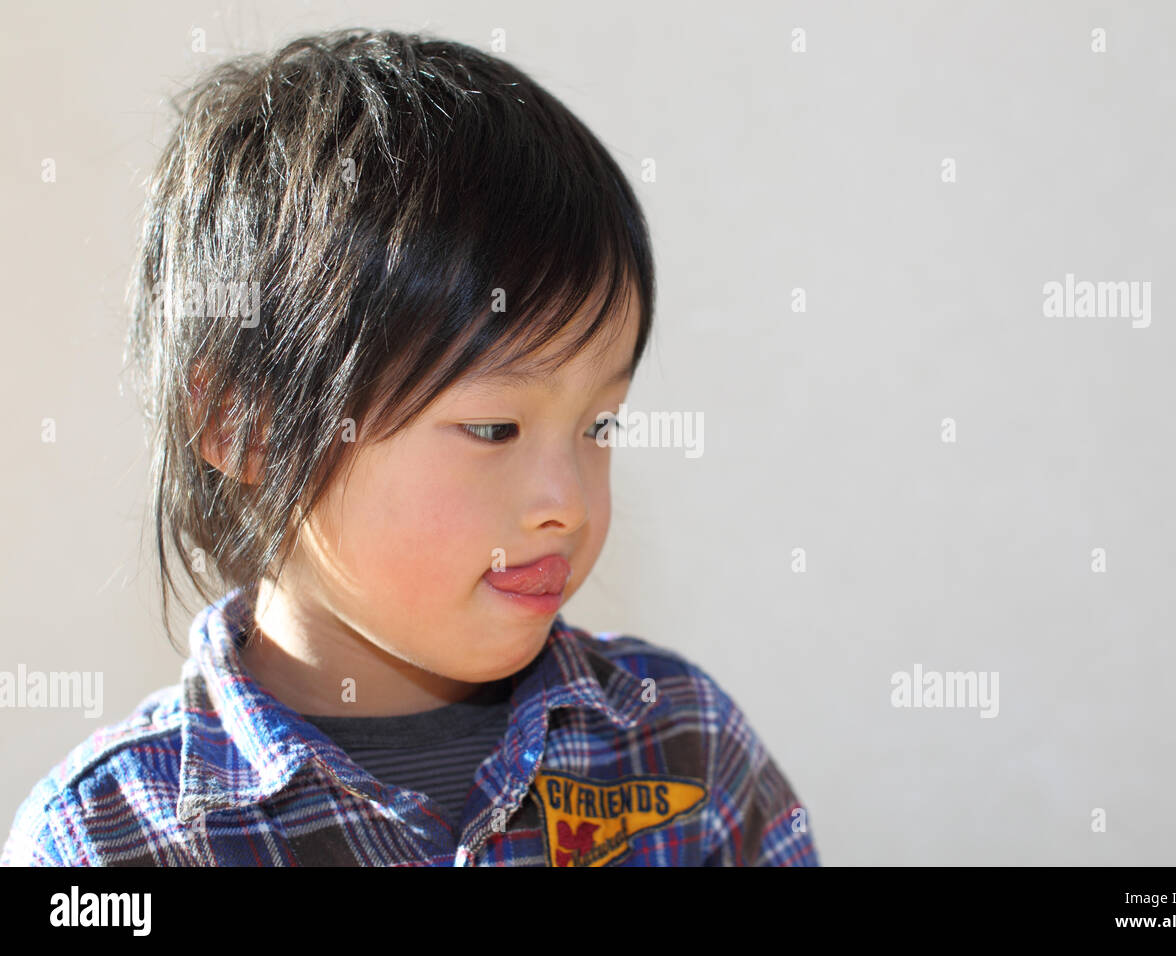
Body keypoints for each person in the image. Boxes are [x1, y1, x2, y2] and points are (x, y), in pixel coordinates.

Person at [0, 28, 818, 867]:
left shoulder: (683, 743)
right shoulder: (108, 845)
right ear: (243, 425)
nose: (567, 503)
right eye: (494, 428)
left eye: (598, 427)